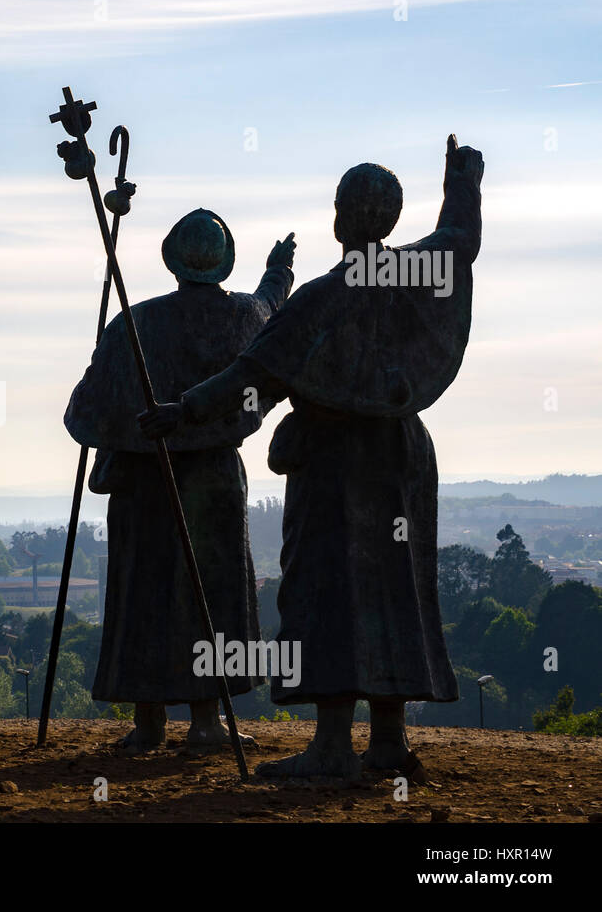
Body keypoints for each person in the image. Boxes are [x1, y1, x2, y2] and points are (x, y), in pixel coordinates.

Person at [139, 136, 483, 777]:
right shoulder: (415, 274)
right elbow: (461, 238)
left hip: (335, 462)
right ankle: (387, 741)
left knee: (329, 589)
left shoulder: (322, 299)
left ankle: (331, 745)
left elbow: (253, 373)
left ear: (339, 216)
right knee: (393, 591)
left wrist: (182, 410)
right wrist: (461, 180)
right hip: (402, 455)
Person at [65, 209, 295, 751]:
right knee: (209, 594)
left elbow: (84, 414)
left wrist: (123, 428)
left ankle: (147, 724)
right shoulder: (243, 316)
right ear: (223, 262)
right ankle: (206, 722)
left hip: (144, 478)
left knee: (143, 592)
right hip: (213, 475)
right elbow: (270, 313)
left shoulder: (133, 323)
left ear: (173, 261)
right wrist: (280, 271)